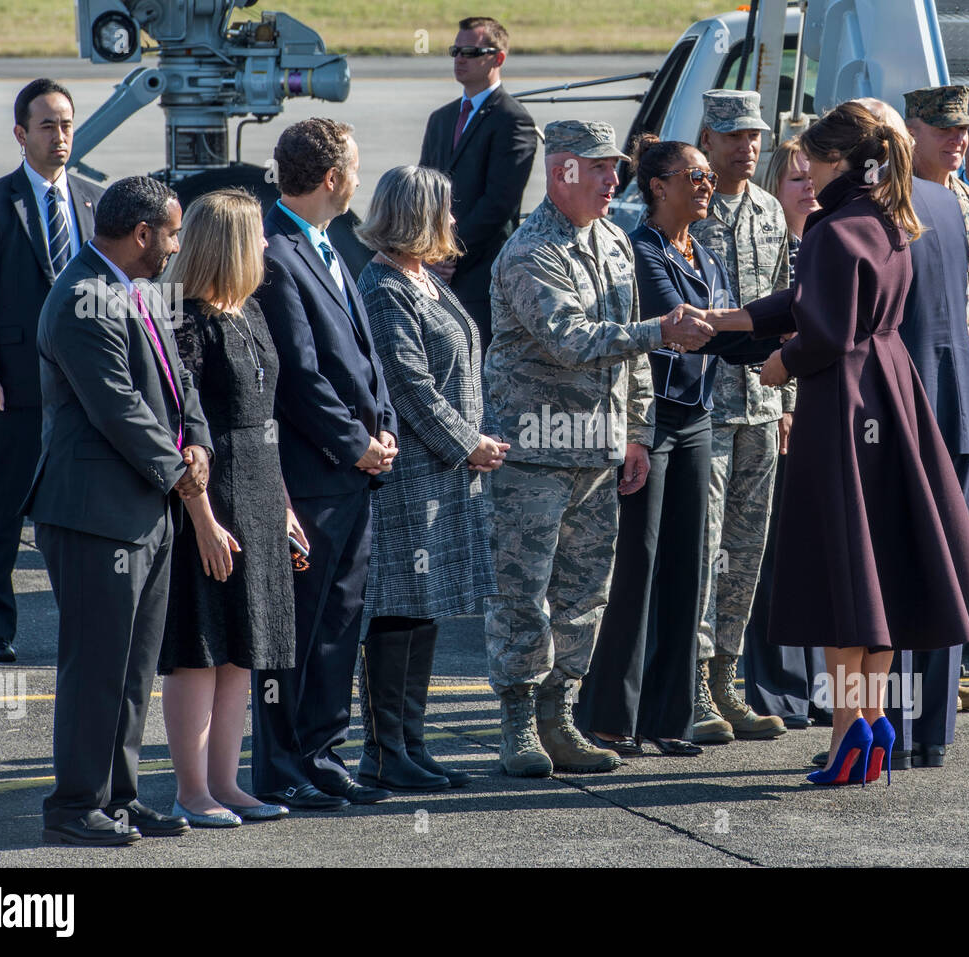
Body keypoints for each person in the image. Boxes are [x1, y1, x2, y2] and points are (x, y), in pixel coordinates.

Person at [708, 102, 969, 785]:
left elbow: (826, 332)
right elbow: (812, 300)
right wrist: (731, 319)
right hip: (892, 398)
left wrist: (777, 364)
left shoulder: (833, 230)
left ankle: (850, 733)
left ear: (841, 160)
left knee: (843, 586)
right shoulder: (890, 217)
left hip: (842, 406)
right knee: (876, 578)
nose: (802, 177)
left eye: (810, 163)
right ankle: (869, 724)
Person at [484, 119, 715, 777]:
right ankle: (519, 727)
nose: (617, 180)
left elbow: (636, 357)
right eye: (602, 168)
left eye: (617, 167)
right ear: (563, 172)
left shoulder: (613, 240)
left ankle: (562, 717)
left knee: (585, 592)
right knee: (524, 594)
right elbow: (570, 337)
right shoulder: (532, 251)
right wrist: (658, 328)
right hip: (534, 452)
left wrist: (638, 432)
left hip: (597, 450)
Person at [576, 135, 776, 757]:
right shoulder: (645, 251)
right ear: (658, 187)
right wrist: (763, 331)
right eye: (694, 175)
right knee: (638, 565)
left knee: (690, 566)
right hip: (650, 420)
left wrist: (781, 343)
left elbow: (719, 332)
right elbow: (685, 331)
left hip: (697, 419)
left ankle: (669, 716)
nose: (707, 184)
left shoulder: (704, 256)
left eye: (707, 176)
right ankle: (611, 715)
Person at [25, 175, 210, 844]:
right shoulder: (79, 298)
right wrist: (182, 477)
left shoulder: (140, 289)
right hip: (95, 511)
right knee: (96, 665)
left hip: (144, 505)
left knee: (133, 668)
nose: (177, 244)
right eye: (172, 231)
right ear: (141, 234)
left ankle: (119, 799)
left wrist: (201, 446)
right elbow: (120, 410)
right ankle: (75, 806)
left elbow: (178, 379)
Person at [252, 118, 398, 811]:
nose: (360, 180)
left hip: (355, 468)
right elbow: (298, 377)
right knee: (297, 627)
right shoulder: (277, 251)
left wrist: (385, 426)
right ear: (334, 178)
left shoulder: (328, 242)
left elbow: (365, 358)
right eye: (357, 168)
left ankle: (322, 748)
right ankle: (281, 763)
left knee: (340, 619)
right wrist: (354, 441)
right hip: (313, 472)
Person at [354, 165, 505, 791]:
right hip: (410, 477)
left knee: (425, 609)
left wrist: (474, 440)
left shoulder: (421, 278)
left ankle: (410, 743)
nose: (453, 221)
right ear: (417, 216)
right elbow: (410, 388)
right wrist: (468, 443)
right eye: (443, 210)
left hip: (442, 480)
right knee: (397, 607)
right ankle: (384, 751)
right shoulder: (385, 287)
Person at [158, 188, 297, 827]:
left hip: (261, 491)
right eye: (259, 235)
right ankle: (192, 791)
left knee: (242, 648)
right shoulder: (185, 318)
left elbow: (266, 419)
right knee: (200, 647)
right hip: (210, 501)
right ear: (234, 244)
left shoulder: (247, 312)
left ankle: (227, 784)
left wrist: (284, 508)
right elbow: (187, 434)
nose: (267, 245)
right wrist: (205, 520)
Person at [854, 95, 969, 769]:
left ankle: (892, 728)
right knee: (945, 570)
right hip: (954, 404)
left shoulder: (877, 211)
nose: (959, 141)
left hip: (907, 411)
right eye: (946, 130)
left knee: (890, 572)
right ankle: (928, 731)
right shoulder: (948, 203)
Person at [0, 78, 103, 665]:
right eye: (47, 125)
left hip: (87, 389)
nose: (60, 135)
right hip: (14, 388)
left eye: (66, 124)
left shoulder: (97, 200)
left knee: (86, 511)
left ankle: (90, 623)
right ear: (21, 134)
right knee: (1, 509)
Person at [688, 90, 793, 743]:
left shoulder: (770, 210)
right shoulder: (685, 207)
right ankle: (694, 687)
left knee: (745, 552)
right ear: (707, 136)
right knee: (704, 552)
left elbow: (787, 311)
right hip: (703, 407)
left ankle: (729, 680)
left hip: (760, 407)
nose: (745, 148)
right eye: (731, 136)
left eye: (753, 136)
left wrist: (786, 401)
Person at [904, 85, 969, 715]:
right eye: (945, 130)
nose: (959, 140)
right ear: (912, 131)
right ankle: (900, 684)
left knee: (957, 538)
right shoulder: (893, 199)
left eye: (964, 130)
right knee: (910, 540)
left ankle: (942, 674)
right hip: (911, 387)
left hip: (963, 387)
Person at [740, 135, 830, 729]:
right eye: (795, 178)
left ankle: (826, 686)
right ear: (775, 189)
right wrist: (784, 403)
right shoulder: (769, 247)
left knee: (823, 558)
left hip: (828, 418)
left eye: (812, 175)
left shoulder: (833, 243)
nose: (808, 187)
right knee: (772, 554)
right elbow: (772, 334)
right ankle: (776, 686)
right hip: (777, 411)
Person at [419, 16, 538, 348]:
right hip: (431, 271)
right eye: (456, 50)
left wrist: (450, 253)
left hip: (479, 278)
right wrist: (426, 252)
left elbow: (498, 203)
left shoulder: (513, 120)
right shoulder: (441, 120)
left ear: (498, 58)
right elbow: (422, 192)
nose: (460, 58)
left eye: (471, 51)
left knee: (477, 380)